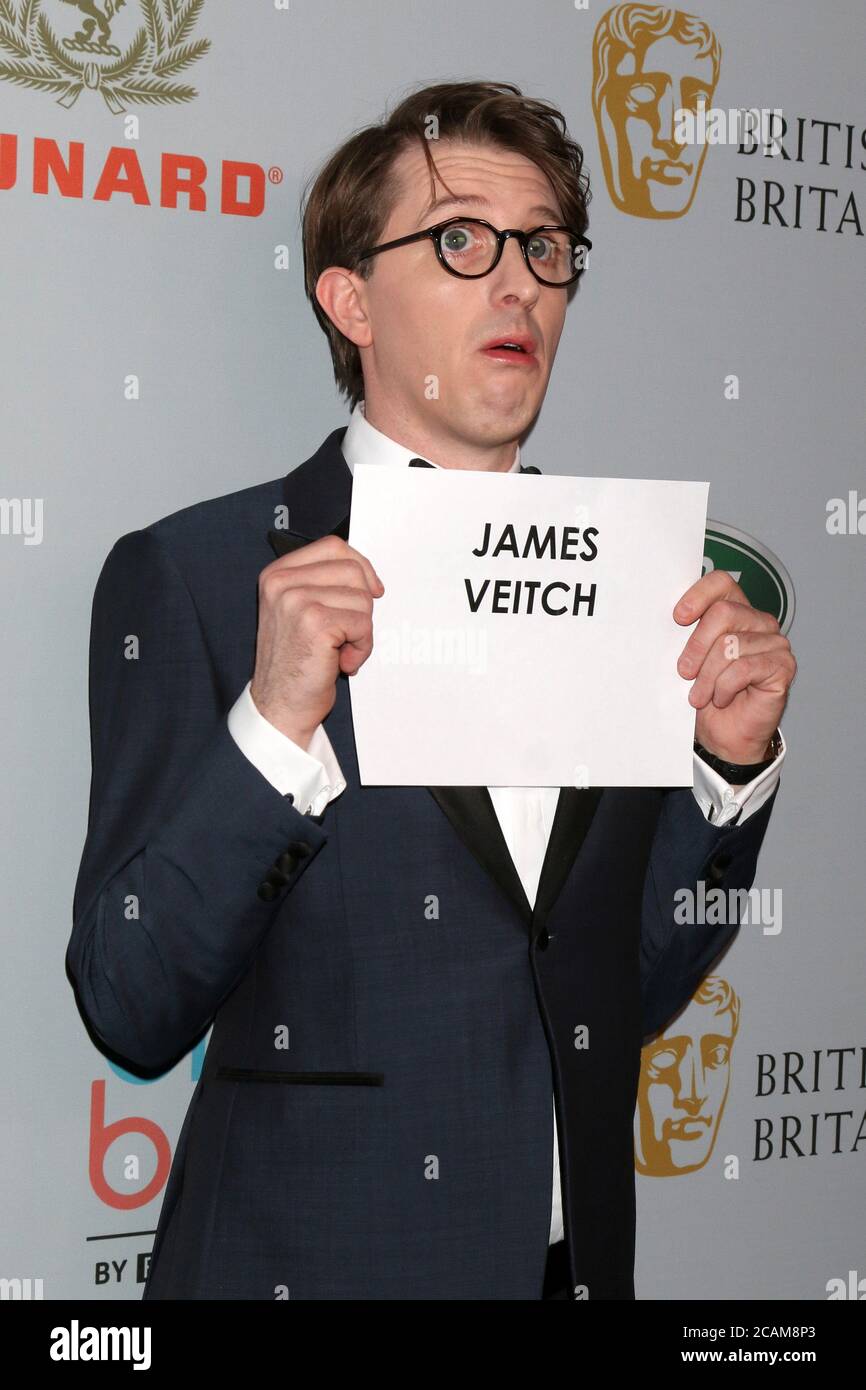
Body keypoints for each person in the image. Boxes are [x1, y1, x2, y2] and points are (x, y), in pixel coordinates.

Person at [67, 80, 795, 1301]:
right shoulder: (196, 577)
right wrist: (274, 728)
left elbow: (616, 994)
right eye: (461, 241)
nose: (517, 282)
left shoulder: (625, 581)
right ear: (348, 299)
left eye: (546, 249)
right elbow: (130, 1005)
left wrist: (720, 775)